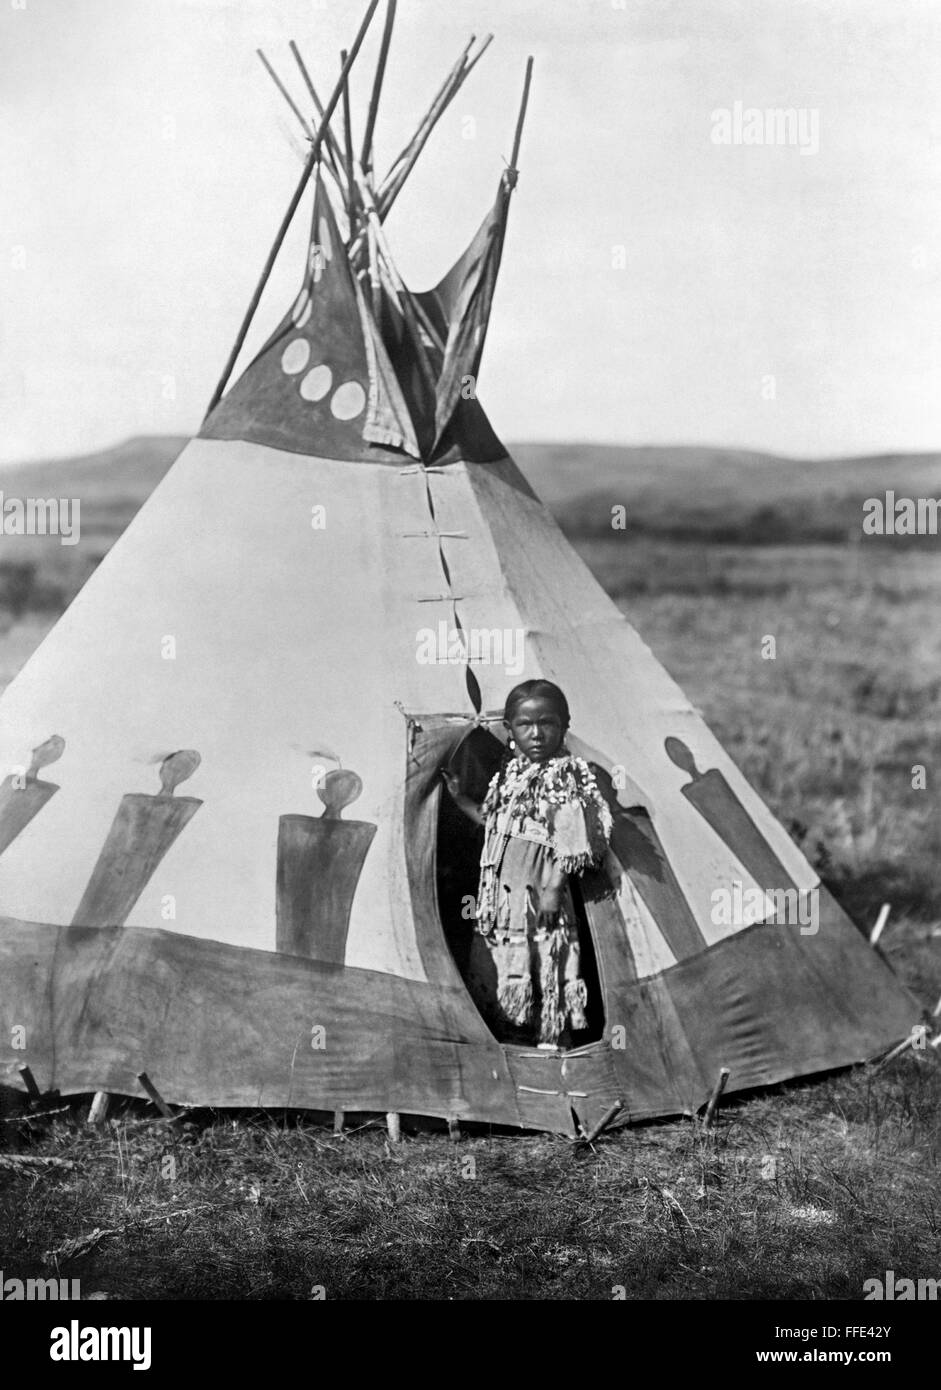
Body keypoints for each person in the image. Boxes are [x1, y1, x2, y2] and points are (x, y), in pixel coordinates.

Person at [442, 680, 612, 1047]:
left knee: (543, 964)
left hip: (539, 897)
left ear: (564, 727)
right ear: (509, 729)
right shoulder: (509, 776)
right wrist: (458, 799)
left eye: (547, 723)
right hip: (504, 900)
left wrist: (554, 890)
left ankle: (550, 1041)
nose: (537, 734)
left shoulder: (564, 777)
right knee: (505, 966)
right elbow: (493, 822)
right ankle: (512, 1037)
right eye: (525, 725)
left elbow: (570, 841)